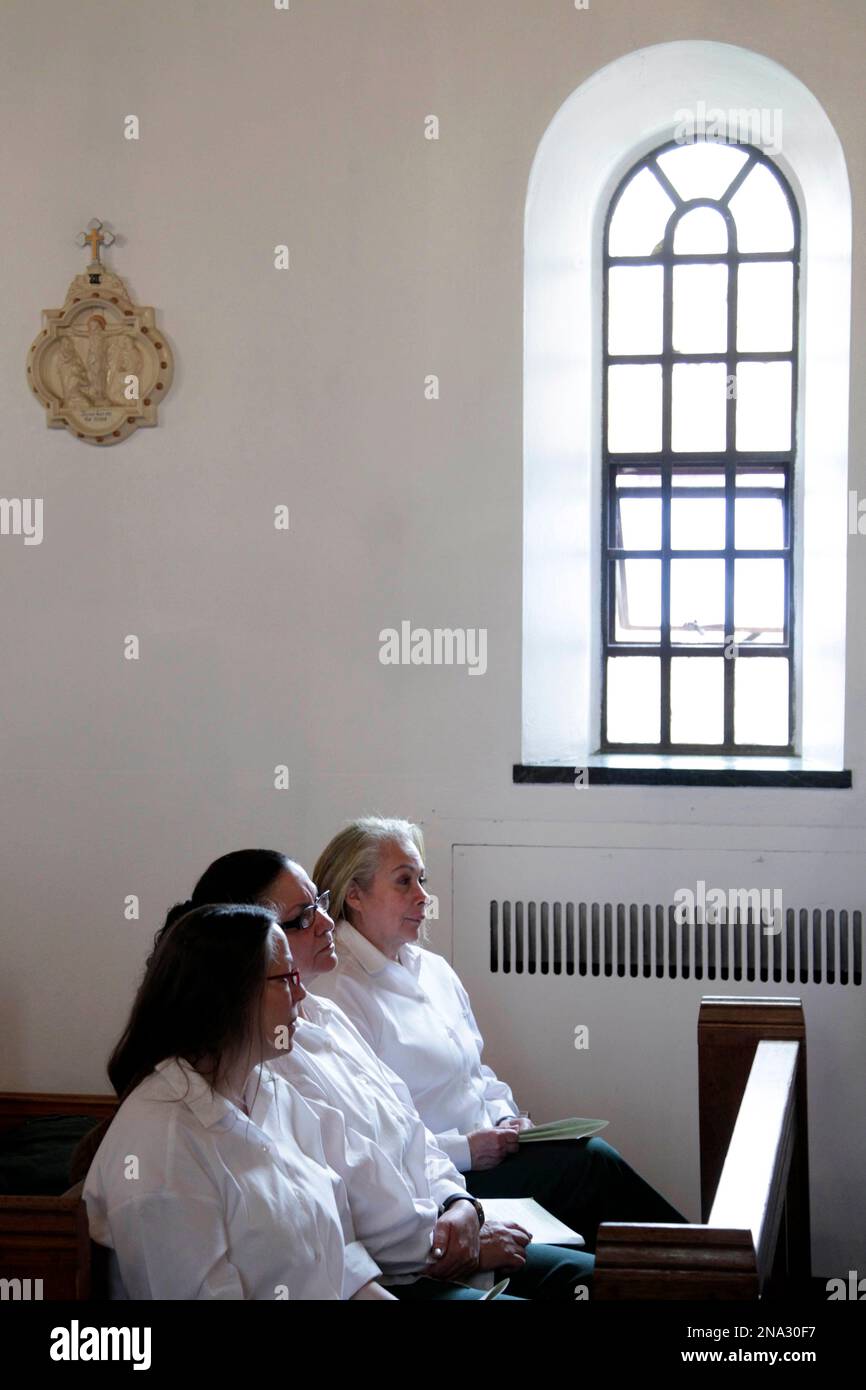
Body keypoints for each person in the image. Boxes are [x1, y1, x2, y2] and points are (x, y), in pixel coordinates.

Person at [164, 850, 596, 1301]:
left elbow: (408, 1123)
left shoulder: (322, 1012)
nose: (327, 923)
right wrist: (444, 1245)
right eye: (303, 916)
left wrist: (460, 1204)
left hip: (439, 1231)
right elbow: (346, 1194)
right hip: (396, 1271)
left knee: (592, 1274)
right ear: (248, 944)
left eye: (321, 903)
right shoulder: (267, 1057)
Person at [312, 816, 689, 1252]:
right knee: (589, 1168)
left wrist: (505, 1116)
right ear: (355, 894)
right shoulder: (339, 991)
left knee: (589, 1161)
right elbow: (371, 1136)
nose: (423, 896)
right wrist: (467, 1149)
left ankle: (707, 1267)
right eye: (403, 882)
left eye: (422, 879)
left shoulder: (430, 968)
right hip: (447, 1184)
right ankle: (711, 1270)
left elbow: (476, 1070)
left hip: (492, 1153)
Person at [83, 902, 398, 1299]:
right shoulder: (162, 1143)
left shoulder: (271, 1092)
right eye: (285, 978)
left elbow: (340, 1262)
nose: (301, 992)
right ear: (228, 996)